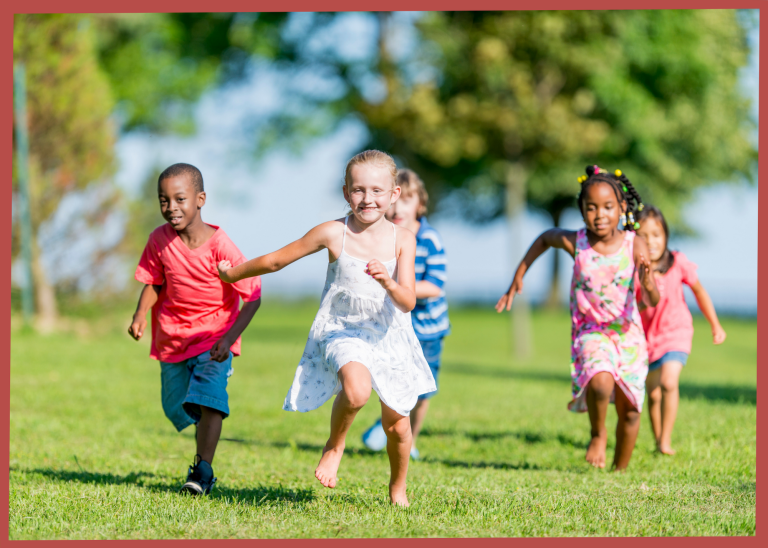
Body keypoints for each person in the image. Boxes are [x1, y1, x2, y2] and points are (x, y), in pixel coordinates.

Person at [217, 150, 435, 506]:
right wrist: (232, 274)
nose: (368, 199)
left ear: (394, 195)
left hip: (389, 335)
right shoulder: (334, 232)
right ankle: (335, 444)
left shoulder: (404, 239)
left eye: (378, 191)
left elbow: (408, 300)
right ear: (346, 191)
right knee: (356, 391)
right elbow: (275, 261)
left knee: (398, 426)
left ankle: (398, 488)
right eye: (359, 190)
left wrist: (388, 282)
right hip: (342, 332)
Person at [496, 165, 659, 471]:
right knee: (600, 381)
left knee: (631, 411)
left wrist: (648, 283)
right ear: (582, 211)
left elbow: (650, 301)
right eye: (592, 207)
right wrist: (519, 275)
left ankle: (619, 471)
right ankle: (598, 434)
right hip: (591, 332)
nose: (600, 214)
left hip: (628, 335)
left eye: (608, 207)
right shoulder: (578, 242)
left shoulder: (633, 244)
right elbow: (546, 238)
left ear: (622, 208)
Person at [128, 163, 262, 495]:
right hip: (172, 341)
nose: (171, 207)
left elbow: (253, 296)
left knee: (209, 399)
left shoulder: (221, 245)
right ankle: (201, 423)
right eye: (163, 200)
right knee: (177, 405)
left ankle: (202, 471)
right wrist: (140, 314)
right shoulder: (158, 240)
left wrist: (229, 338)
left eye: (179, 199)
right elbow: (154, 282)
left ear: (200, 199)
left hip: (214, 340)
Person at [361, 168, 449, 460]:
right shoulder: (382, 236)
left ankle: (410, 439)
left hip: (428, 328)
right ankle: (389, 425)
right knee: (392, 380)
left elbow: (435, 285)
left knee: (423, 389)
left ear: (420, 205)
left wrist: (398, 286)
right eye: (394, 201)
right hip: (395, 325)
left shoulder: (430, 239)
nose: (399, 208)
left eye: (407, 200)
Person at [635, 205, 727, 455]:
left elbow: (699, 291)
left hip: (677, 332)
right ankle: (657, 441)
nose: (650, 241)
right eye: (643, 236)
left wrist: (715, 324)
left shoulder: (677, 262)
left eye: (656, 234)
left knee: (669, 382)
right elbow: (631, 307)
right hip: (647, 339)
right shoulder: (632, 270)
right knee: (652, 395)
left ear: (666, 235)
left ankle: (665, 441)